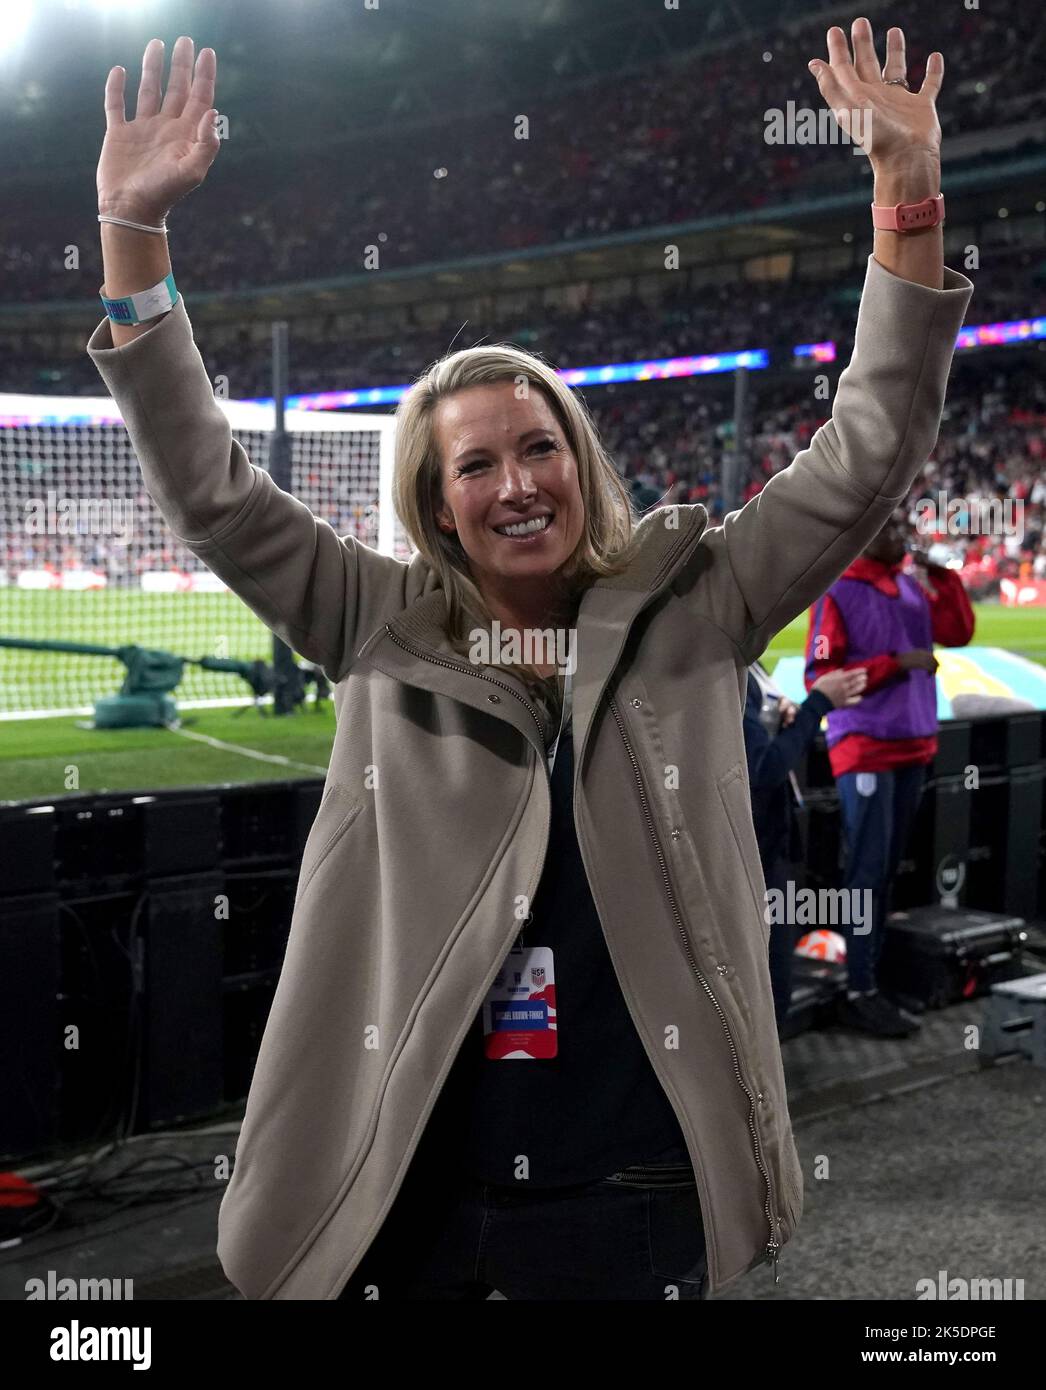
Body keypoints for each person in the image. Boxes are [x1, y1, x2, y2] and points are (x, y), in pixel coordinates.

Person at [87, 26, 973, 1300]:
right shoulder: (368, 621)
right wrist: (132, 238)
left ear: (581, 461)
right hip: (419, 1198)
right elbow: (214, 495)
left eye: (540, 445)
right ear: (437, 503)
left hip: (640, 1191)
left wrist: (905, 201)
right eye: (476, 463)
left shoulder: (700, 600)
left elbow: (870, 443)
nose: (516, 482)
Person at [803, 510, 975, 1037]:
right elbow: (821, 675)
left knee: (883, 872)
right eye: (887, 524)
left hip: (913, 745)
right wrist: (895, 665)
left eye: (903, 524)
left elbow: (958, 632)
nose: (900, 533)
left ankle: (873, 980)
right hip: (866, 747)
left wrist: (943, 577)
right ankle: (859, 990)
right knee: (866, 872)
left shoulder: (908, 584)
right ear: (862, 531)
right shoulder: (837, 589)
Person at [743, 660, 867, 1030]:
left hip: (765, 845)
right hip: (756, 853)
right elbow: (762, 769)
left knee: (771, 977)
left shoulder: (745, 664)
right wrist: (818, 704)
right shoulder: (729, 665)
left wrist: (789, 717)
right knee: (770, 981)